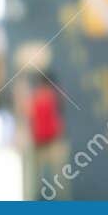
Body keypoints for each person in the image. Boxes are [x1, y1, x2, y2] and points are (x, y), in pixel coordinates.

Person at [25, 69, 67, 199]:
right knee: (53, 178)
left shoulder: (41, 97)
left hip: (48, 141)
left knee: (54, 177)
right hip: (43, 142)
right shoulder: (48, 96)